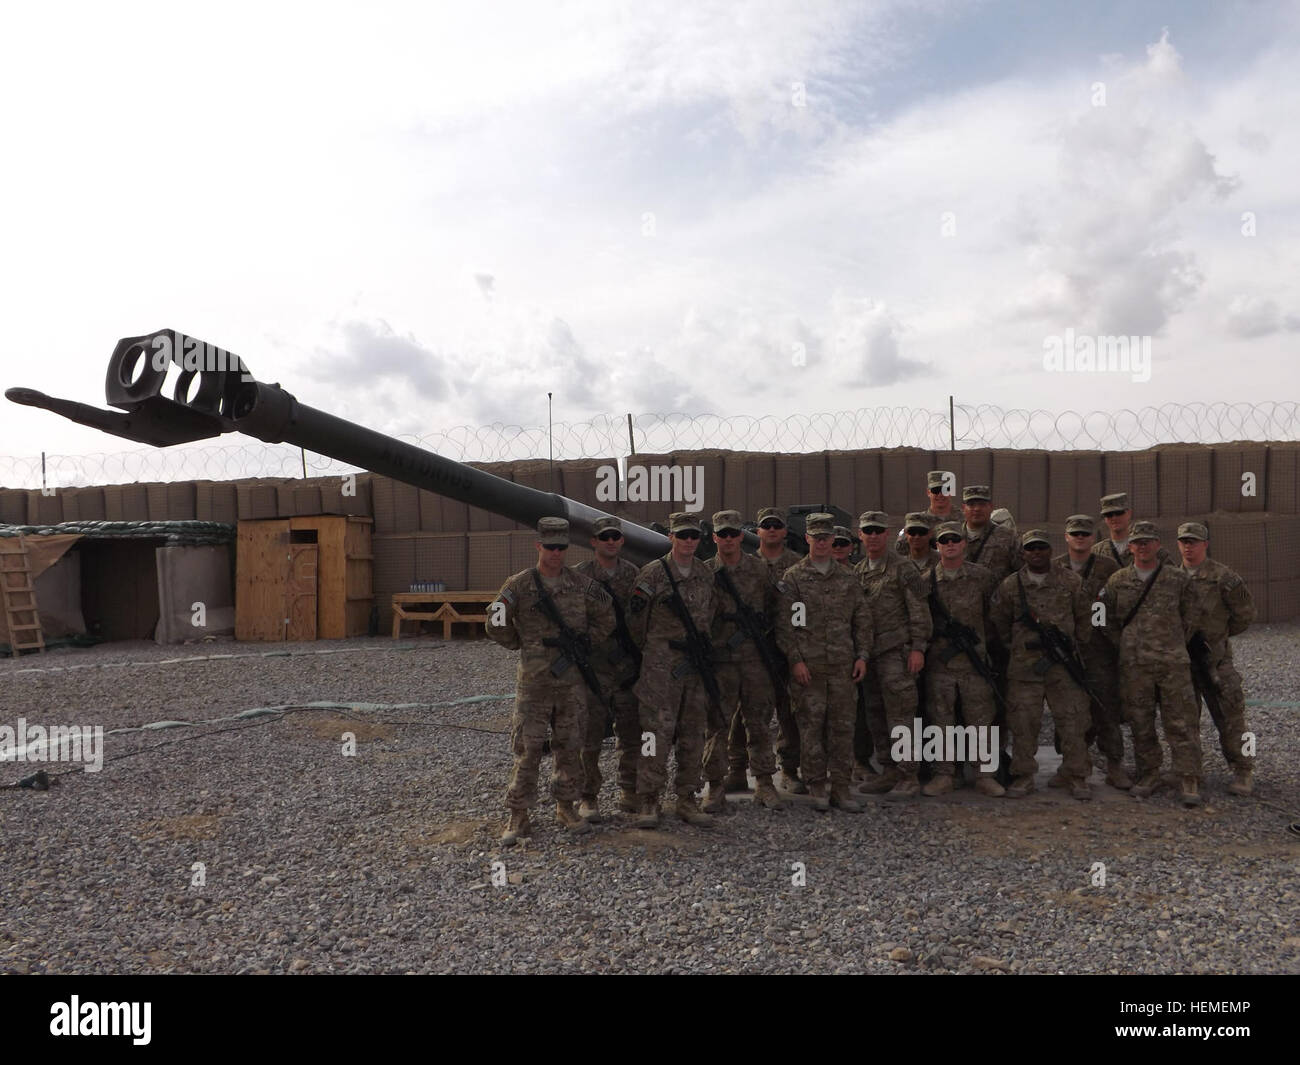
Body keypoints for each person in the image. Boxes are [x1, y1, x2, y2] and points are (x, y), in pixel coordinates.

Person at [486, 517, 616, 845]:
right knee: (527, 749)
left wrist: (588, 642)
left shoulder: (581, 584)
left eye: (561, 547)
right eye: (550, 546)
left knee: (569, 746)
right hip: (534, 683)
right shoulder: (520, 585)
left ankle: (566, 807)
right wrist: (520, 642)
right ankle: (518, 814)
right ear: (538, 546)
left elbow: (607, 615)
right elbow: (495, 620)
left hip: (571, 683)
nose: (556, 553)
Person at [1098, 521, 1203, 807]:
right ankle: (1149, 773)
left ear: (1158, 545)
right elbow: (1103, 617)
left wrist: (1173, 640)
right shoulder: (1118, 581)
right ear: (1130, 546)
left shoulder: (1177, 579)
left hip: (1173, 663)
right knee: (1140, 721)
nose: (1143, 547)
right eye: (1138, 542)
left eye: (1148, 541)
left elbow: (1192, 615)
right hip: (1134, 665)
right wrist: (1124, 641)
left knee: (1181, 721)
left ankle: (1188, 777)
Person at [629, 512, 722, 829]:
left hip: (695, 668)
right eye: (682, 535)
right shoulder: (653, 574)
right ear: (671, 537)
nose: (688, 541)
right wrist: (657, 649)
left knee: (693, 734)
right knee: (653, 735)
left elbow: (710, 612)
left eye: (694, 536)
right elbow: (636, 623)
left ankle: (687, 798)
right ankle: (648, 800)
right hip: (661, 668)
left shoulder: (704, 574)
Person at [776, 513, 872, 812]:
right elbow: (785, 627)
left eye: (826, 538)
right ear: (807, 539)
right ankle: (817, 784)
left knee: (842, 729)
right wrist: (796, 661)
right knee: (811, 729)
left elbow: (862, 620)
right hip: (810, 670)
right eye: (815, 537)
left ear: (833, 540)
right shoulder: (794, 578)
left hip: (843, 667)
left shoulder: (848, 578)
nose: (820, 542)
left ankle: (841, 788)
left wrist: (862, 656)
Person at [990, 530, 1093, 799]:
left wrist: (1071, 647)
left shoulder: (1071, 582)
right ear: (1023, 553)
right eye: (1030, 548)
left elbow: (1085, 620)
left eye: (1042, 548)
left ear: (1050, 550)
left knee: (1072, 720)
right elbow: (999, 622)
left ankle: (1076, 774)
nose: (1036, 553)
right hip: (1025, 669)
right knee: (1023, 723)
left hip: (1062, 666)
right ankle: (1024, 775)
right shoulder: (1011, 585)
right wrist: (1016, 646)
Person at [701, 510, 786, 812]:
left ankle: (764, 783)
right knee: (717, 727)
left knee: (759, 724)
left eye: (732, 533)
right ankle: (714, 787)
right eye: (721, 534)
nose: (727, 539)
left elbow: (778, 610)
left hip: (755, 662)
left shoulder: (759, 570)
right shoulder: (706, 573)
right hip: (722, 663)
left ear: (741, 536)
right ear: (714, 537)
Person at [922, 521, 1003, 797]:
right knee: (940, 721)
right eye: (944, 541)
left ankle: (984, 774)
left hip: (974, 663)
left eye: (955, 539)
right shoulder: (927, 581)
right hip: (940, 665)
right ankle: (943, 774)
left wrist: (980, 645)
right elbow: (921, 621)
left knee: (981, 720)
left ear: (964, 543)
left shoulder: (982, 577)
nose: (950, 544)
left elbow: (994, 618)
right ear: (938, 546)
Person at [853, 511, 931, 798]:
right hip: (869, 656)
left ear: (887, 534)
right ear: (860, 535)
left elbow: (919, 611)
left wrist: (918, 648)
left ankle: (908, 774)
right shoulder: (858, 571)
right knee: (875, 714)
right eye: (867, 530)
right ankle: (888, 769)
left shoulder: (904, 569)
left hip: (896, 654)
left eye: (878, 530)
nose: (873, 535)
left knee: (901, 716)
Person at [571, 515, 642, 820]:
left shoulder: (634, 574)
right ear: (594, 542)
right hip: (594, 667)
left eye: (615, 536)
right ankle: (588, 796)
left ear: (622, 541)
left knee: (631, 732)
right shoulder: (580, 576)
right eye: (604, 537)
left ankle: (629, 790)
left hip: (626, 666)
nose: (610, 541)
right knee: (589, 735)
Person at [1177, 521, 1256, 796]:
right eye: (1184, 542)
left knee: (1232, 718)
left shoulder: (1225, 578)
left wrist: (1218, 639)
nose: (1189, 546)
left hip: (1216, 663)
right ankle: (1190, 776)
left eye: (1194, 542)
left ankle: (1244, 769)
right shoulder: (1171, 580)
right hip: (1184, 664)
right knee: (1185, 722)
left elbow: (1245, 615)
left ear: (1205, 544)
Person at [1053, 514, 1129, 789]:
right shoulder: (1056, 568)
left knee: (1105, 707)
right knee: (1069, 711)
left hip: (1100, 649)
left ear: (1093, 538)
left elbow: (1122, 605)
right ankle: (1071, 765)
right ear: (1066, 537)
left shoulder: (1108, 568)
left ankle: (1115, 765)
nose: (1080, 538)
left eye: (1085, 534)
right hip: (1067, 650)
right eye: (1075, 534)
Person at [743, 506, 806, 794]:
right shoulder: (745, 566)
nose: (771, 529)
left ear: (784, 531)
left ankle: (789, 769)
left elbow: (802, 610)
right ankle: (737, 768)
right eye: (765, 525)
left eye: (776, 525)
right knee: (747, 713)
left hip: (787, 647)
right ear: (757, 532)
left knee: (789, 711)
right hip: (753, 650)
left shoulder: (797, 566)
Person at [959, 485, 1021, 583]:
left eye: (982, 504)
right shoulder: (951, 537)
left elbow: (1021, 572)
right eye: (971, 504)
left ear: (991, 507)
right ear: (963, 508)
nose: (977, 509)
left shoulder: (1008, 537)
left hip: (995, 596)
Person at [1093, 493, 1173, 566]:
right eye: (1109, 515)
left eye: (1119, 513)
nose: (1114, 518)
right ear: (1105, 519)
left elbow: (1173, 575)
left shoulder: (1149, 548)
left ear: (1129, 513)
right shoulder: (1097, 552)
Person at [895, 470, 956, 555]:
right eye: (936, 490)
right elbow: (901, 549)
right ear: (928, 492)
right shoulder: (918, 521)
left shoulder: (965, 519)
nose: (940, 495)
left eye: (945, 490)